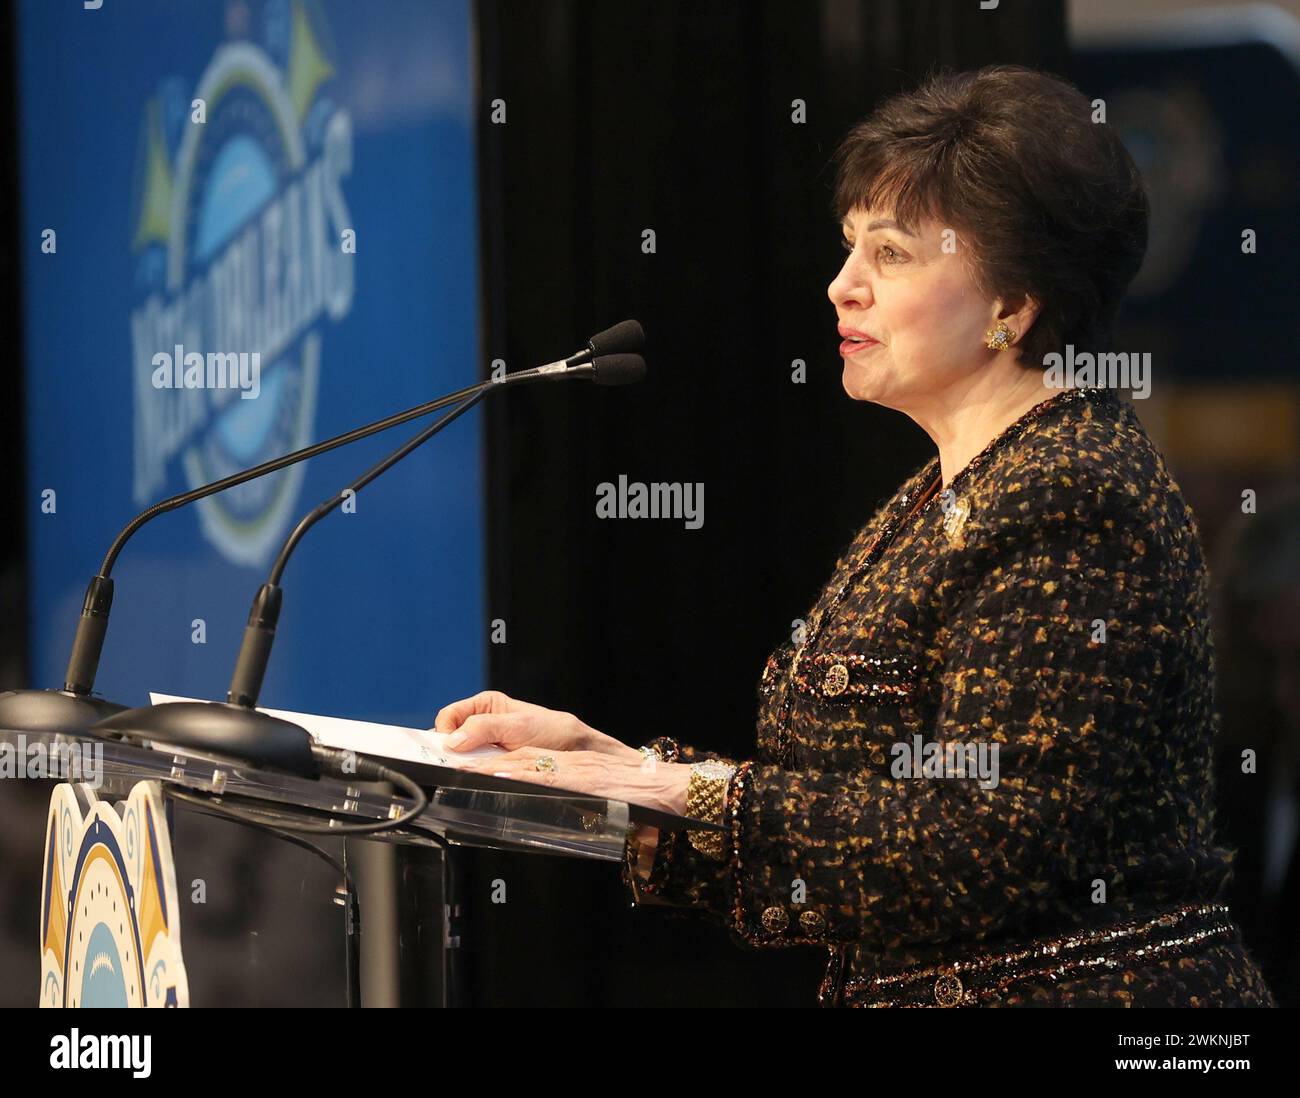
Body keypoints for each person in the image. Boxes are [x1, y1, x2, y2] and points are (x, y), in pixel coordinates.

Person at [438, 65, 1275, 1007]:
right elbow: (854, 831)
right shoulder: (943, 490)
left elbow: (984, 844)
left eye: (893, 254)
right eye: (849, 249)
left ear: (1013, 303)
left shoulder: (1071, 496)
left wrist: (669, 787)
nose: (843, 288)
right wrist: (612, 772)